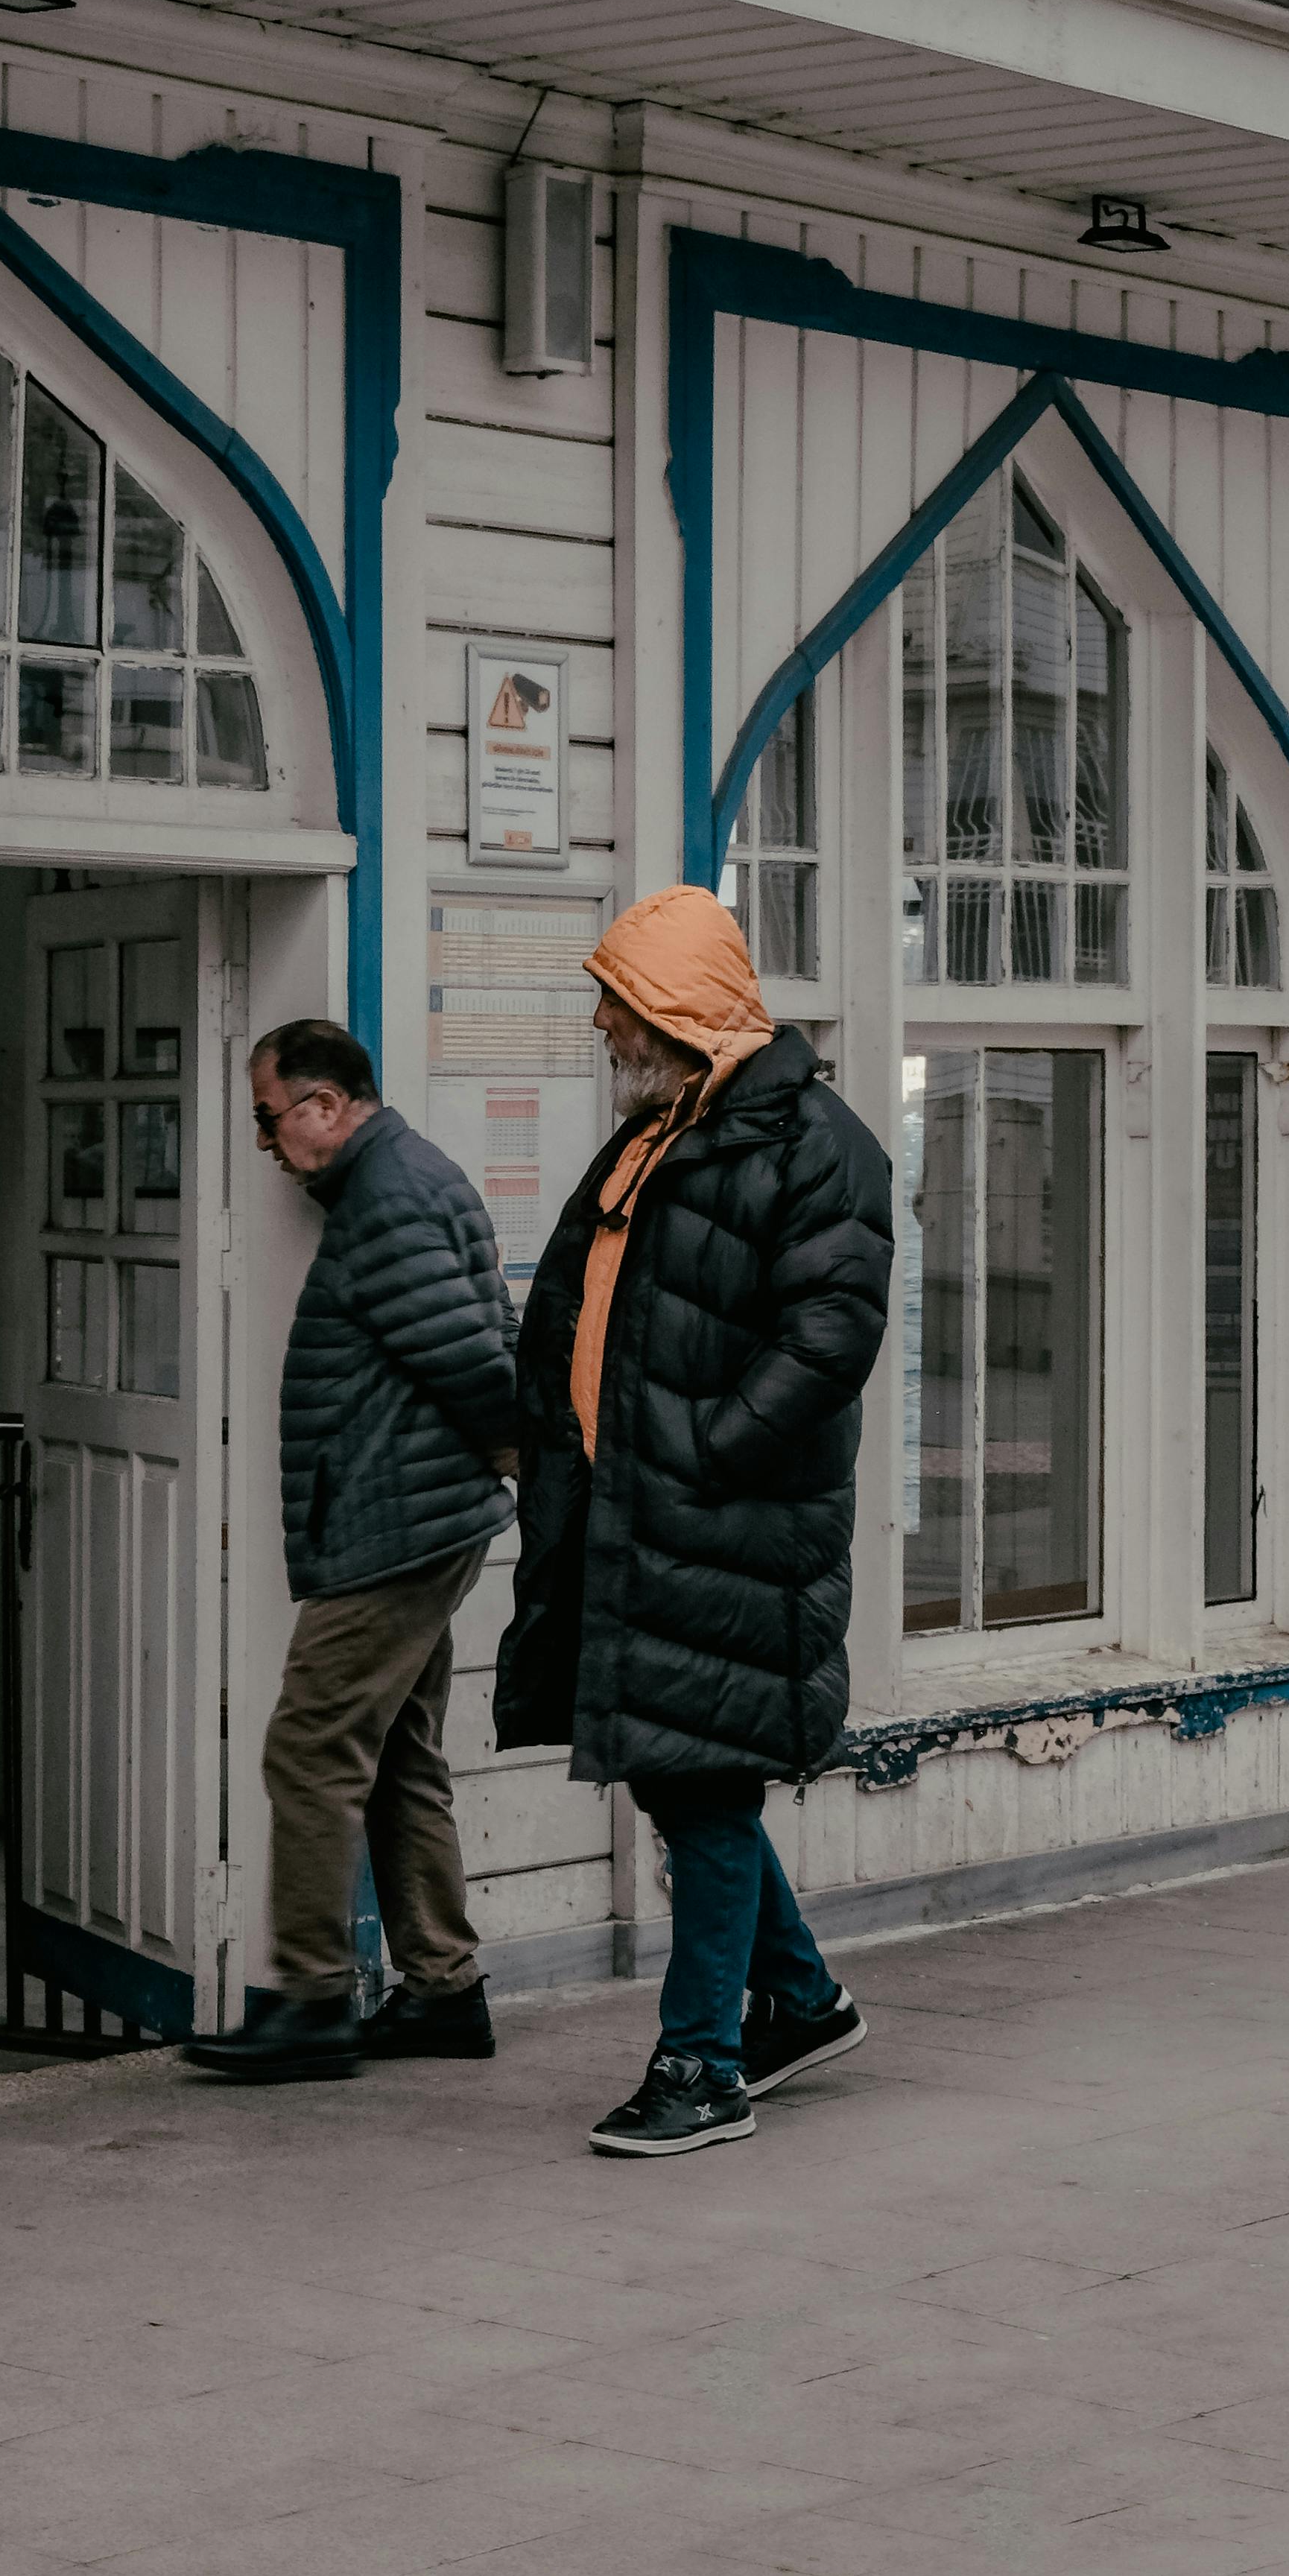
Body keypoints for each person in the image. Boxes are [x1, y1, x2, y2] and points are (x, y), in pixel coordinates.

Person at [494, 886, 892, 2157]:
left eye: (618, 1005)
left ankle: (702, 2063)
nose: (604, 1027)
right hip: (633, 1519)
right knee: (685, 1780)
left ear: (675, 1014)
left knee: (705, 1790)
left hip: (722, 1524)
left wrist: (702, 1452)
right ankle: (803, 2001)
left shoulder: (813, 1145)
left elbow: (828, 1339)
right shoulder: (657, 1135)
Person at [185, 1018, 519, 2085]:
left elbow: (471, 1359)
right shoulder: (406, 1178)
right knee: (398, 1758)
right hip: (414, 1512)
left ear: (324, 1107)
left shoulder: (386, 1197)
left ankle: (312, 2000)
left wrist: (515, 1460)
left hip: (394, 1524)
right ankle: (441, 1990)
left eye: (268, 1119)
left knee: (309, 1747)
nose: (268, 1143)